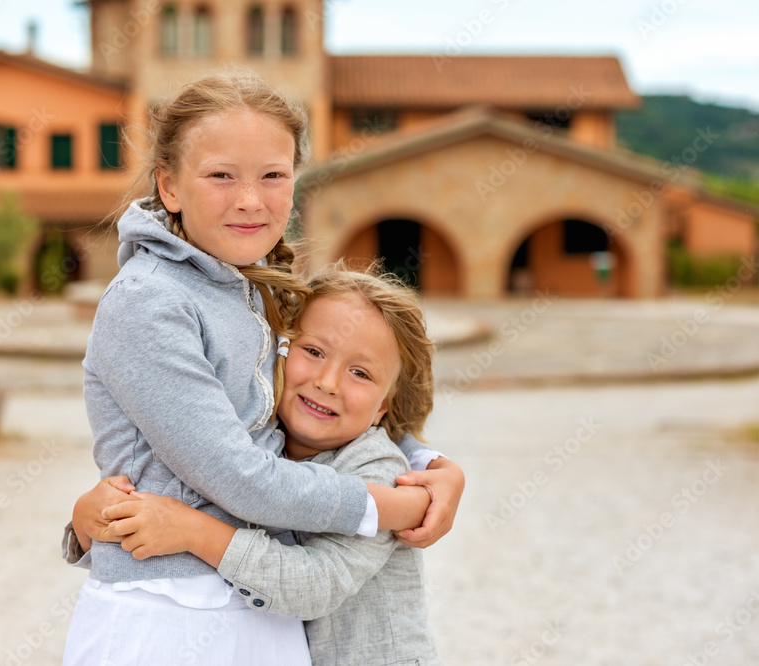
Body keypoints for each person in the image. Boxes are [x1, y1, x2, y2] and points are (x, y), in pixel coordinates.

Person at [61, 70, 463, 665]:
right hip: (172, 609)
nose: (251, 199)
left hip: (253, 607)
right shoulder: (150, 300)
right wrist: (389, 505)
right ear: (169, 187)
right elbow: (239, 478)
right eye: (221, 175)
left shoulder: (252, 291)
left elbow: (309, 407)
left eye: (273, 175)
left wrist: (429, 465)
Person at [100, 267, 444, 666]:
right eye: (313, 352)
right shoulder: (257, 441)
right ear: (274, 352)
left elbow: (315, 584)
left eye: (360, 373)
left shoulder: (379, 469)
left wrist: (193, 532)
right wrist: (94, 519)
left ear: (382, 406)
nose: (328, 382)